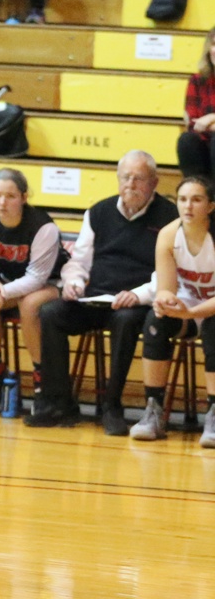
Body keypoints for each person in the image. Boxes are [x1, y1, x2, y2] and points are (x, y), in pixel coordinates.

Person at [27, 150, 178, 434]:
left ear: (154, 183)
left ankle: (112, 405)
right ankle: (59, 402)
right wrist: (73, 283)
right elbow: (79, 261)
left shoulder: (170, 217)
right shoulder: (98, 212)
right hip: (95, 297)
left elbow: (169, 271)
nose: (131, 184)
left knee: (125, 321)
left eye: (139, 179)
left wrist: (140, 294)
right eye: (125, 177)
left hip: (136, 300)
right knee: (50, 313)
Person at [0, 168, 67, 414]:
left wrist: (1, 292)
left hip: (50, 284)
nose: (2, 202)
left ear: (24, 198)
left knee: (30, 304)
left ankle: (40, 378)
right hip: (9, 282)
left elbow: (37, 278)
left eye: (10, 196)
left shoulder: (42, 226)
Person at [129, 178, 215, 445]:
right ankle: (153, 410)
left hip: (209, 309)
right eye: (182, 199)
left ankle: (213, 413)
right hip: (188, 307)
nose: (188, 206)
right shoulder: (168, 235)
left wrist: (190, 314)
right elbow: (166, 288)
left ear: (211, 206)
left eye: (196, 200)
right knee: (156, 320)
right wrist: (165, 302)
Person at [176, 28, 215, 180]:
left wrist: (210, 117)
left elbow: (202, 123)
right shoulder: (197, 80)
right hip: (204, 147)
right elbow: (193, 124)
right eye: (213, 44)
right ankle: (198, 193)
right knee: (186, 140)